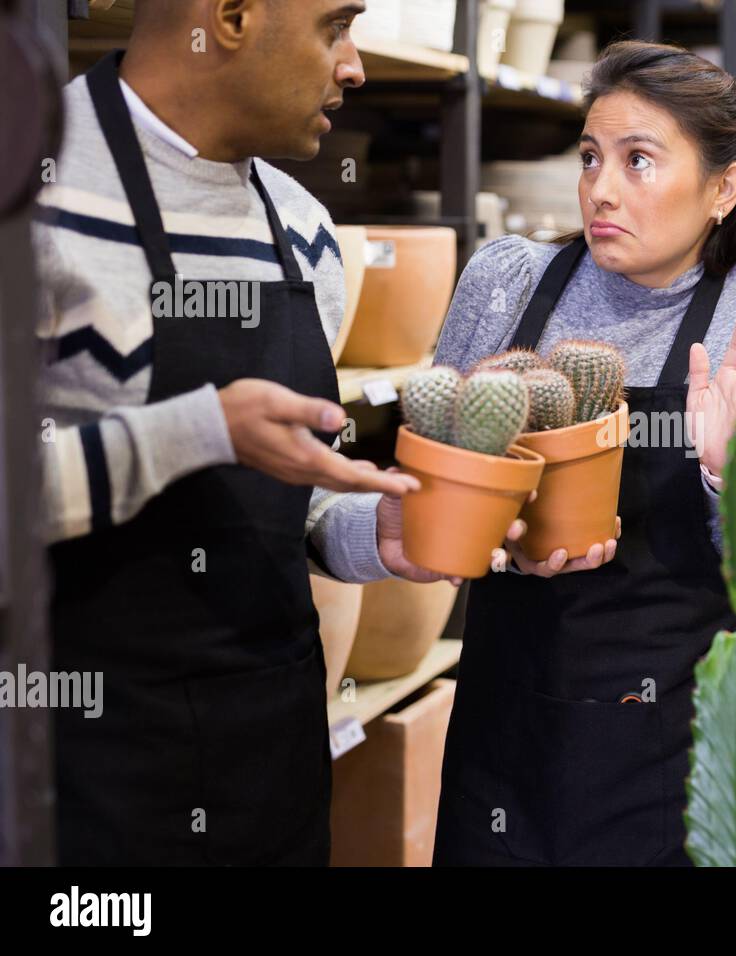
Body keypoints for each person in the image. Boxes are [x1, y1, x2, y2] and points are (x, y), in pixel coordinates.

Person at [34, 0, 486, 865]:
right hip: (86, 782)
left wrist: (375, 536)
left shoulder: (305, 232)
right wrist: (199, 430)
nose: (354, 67)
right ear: (232, 17)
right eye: (336, 26)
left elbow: (296, 511)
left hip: (270, 773)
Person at [432, 41, 736, 866]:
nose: (600, 190)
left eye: (639, 161)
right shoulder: (506, 281)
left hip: (679, 756)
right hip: (507, 737)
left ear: (725, 187)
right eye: (589, 158)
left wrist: (727, 475)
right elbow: (434, 495)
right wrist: (490, 533)